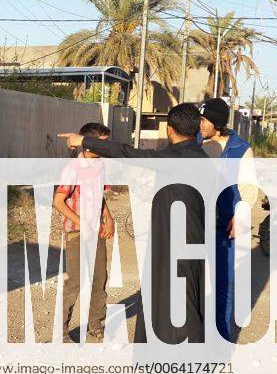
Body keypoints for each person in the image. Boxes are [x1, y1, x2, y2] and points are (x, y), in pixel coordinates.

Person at [58, 103, 210, 345]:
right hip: (192, 239)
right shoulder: (204, 159)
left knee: (178, 296)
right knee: (177, 293)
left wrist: (85, 142)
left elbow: (127, 152)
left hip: (175, 240)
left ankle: (189, 363)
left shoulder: (172, 157)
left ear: (170, 130)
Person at [198, 97, 255, 342]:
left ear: (217, 122)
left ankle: (222, 337)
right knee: (197, 282)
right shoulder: (199, 145)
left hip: (226, 227)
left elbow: (250, 189)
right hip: (200, 222)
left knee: (223, 282)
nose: (199, 124)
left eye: (203, 119)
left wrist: (240, 215)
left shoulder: (241, 148)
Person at [53, 122, 114, 342]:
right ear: (88, 145)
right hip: (78, 233)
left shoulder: (101, 165)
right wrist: (82, 222)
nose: (107, 148)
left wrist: (109, 217)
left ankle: (95, 325)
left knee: (99, 280)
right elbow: (58, 202)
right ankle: (60, 331)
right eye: (102, 143)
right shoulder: (73, 168)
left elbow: (101, 195)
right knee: (76, 282)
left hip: (96, 233)